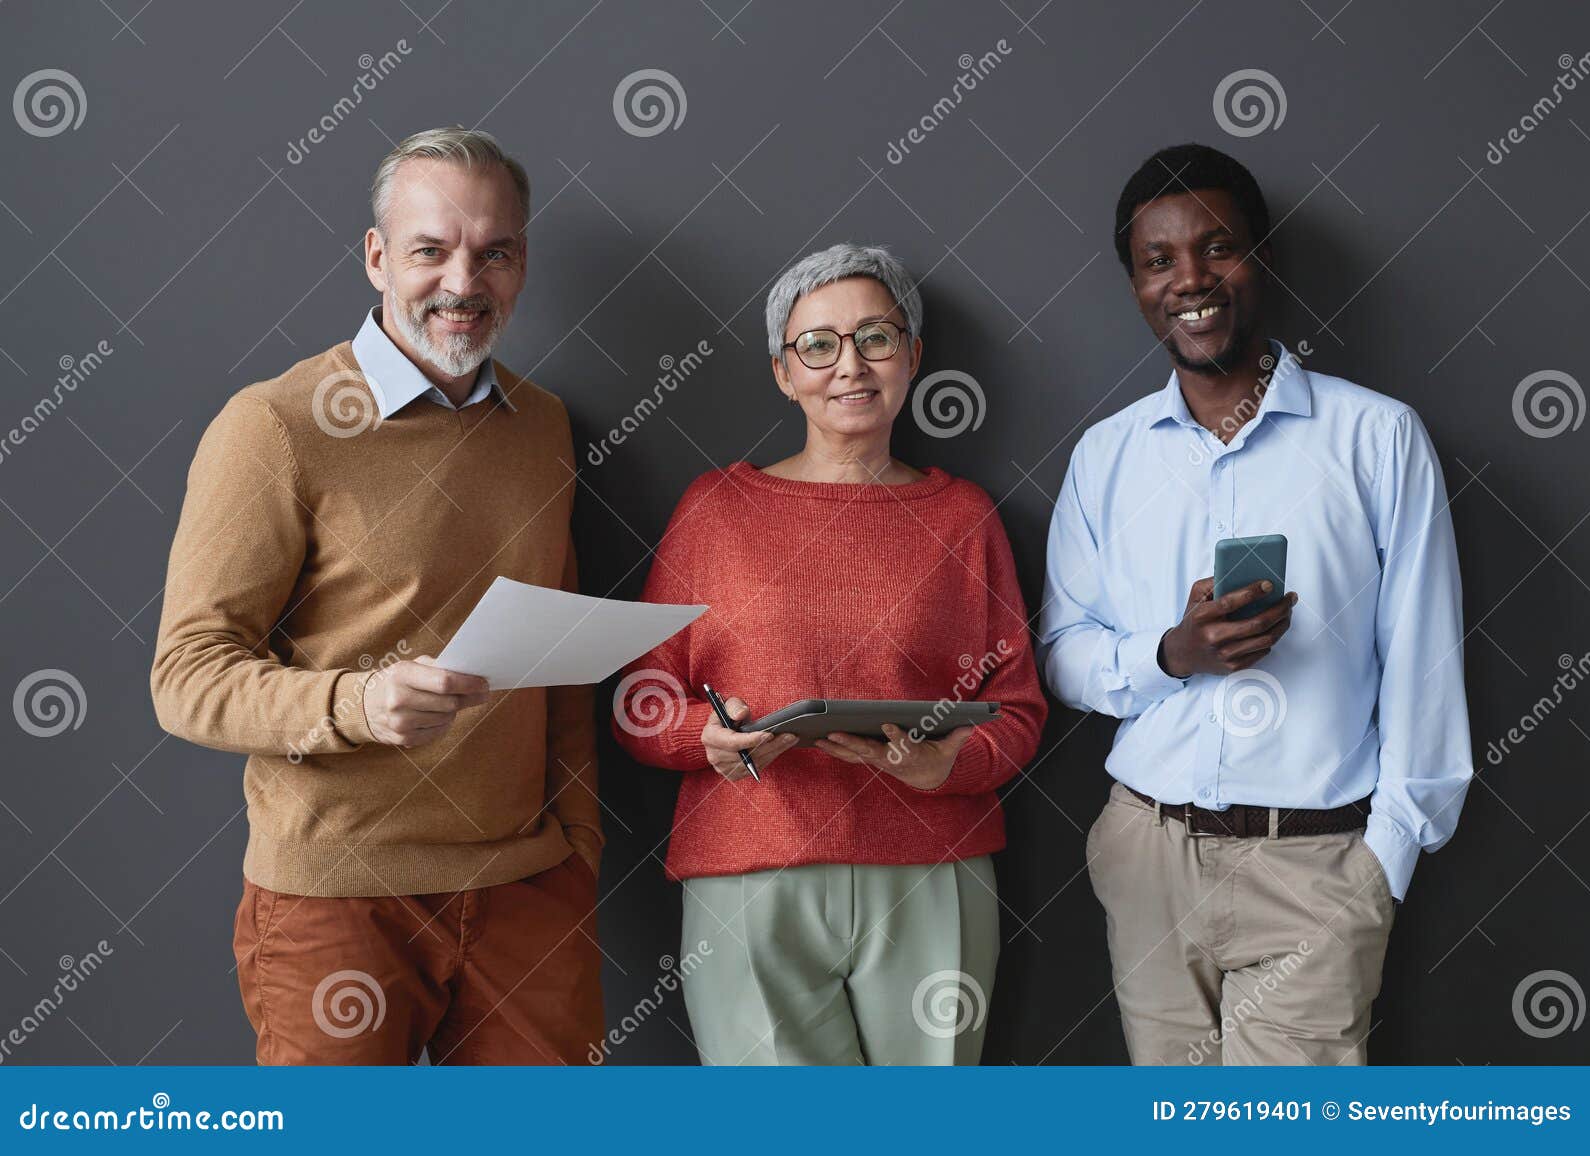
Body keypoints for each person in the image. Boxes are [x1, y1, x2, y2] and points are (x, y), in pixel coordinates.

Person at [150, 127, 603, 1065]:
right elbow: (186, 680)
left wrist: (578, 842)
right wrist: (357, 703)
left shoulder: (544, 426)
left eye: (496, 252)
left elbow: (559, 661)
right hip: (334, 900)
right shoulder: (273, 426)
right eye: (431, 249)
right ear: (376, 257)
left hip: (528, 888)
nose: (463, 281)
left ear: (522, 264)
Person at [1038, 143, 1472, 1065]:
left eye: (1216, 248)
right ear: (1134, 284)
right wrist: (1171, 655)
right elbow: (1064, 651)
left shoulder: (1377, 438)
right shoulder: (1105, 457)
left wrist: (1380, 863)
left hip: (1315, 868)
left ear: (1260, 260)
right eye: (1158, 261)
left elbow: (1425, 663)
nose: (1189, 280)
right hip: (1148, 856)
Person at [612, 243, 1046, 1065]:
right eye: (818, 345)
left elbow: (1019, 709)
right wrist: (697, 737)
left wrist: (946, 765)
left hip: (932, 869)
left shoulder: (963, 517)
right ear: (784, 371)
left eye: (875, 338)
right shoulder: (716, 509)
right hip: (748, 871)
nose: (849, 365)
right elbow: (641, 699)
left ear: (913, 357)